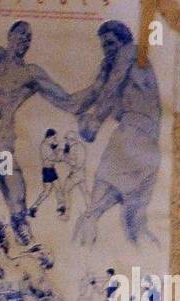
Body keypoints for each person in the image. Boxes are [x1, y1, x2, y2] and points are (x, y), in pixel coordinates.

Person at [0, 21, 80, 246]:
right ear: (9, 35)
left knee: (13, 180)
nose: (25, 40)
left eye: (29, 37)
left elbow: (68, 101)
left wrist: (100, 88)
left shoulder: (30, 73)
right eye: (21, 34)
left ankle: (20, 225)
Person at [71, 21, 162, 247]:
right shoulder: (122, 64)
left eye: (111, 43)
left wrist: (93, 123)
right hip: (148, 146)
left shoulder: (129, 52)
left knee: (92, 211)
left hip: (133, 137)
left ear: (124, 40)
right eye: (104, 46)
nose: (108, 49)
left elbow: (109, 91)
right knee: (133, 224)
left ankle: (78, 257)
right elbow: (90, 95)